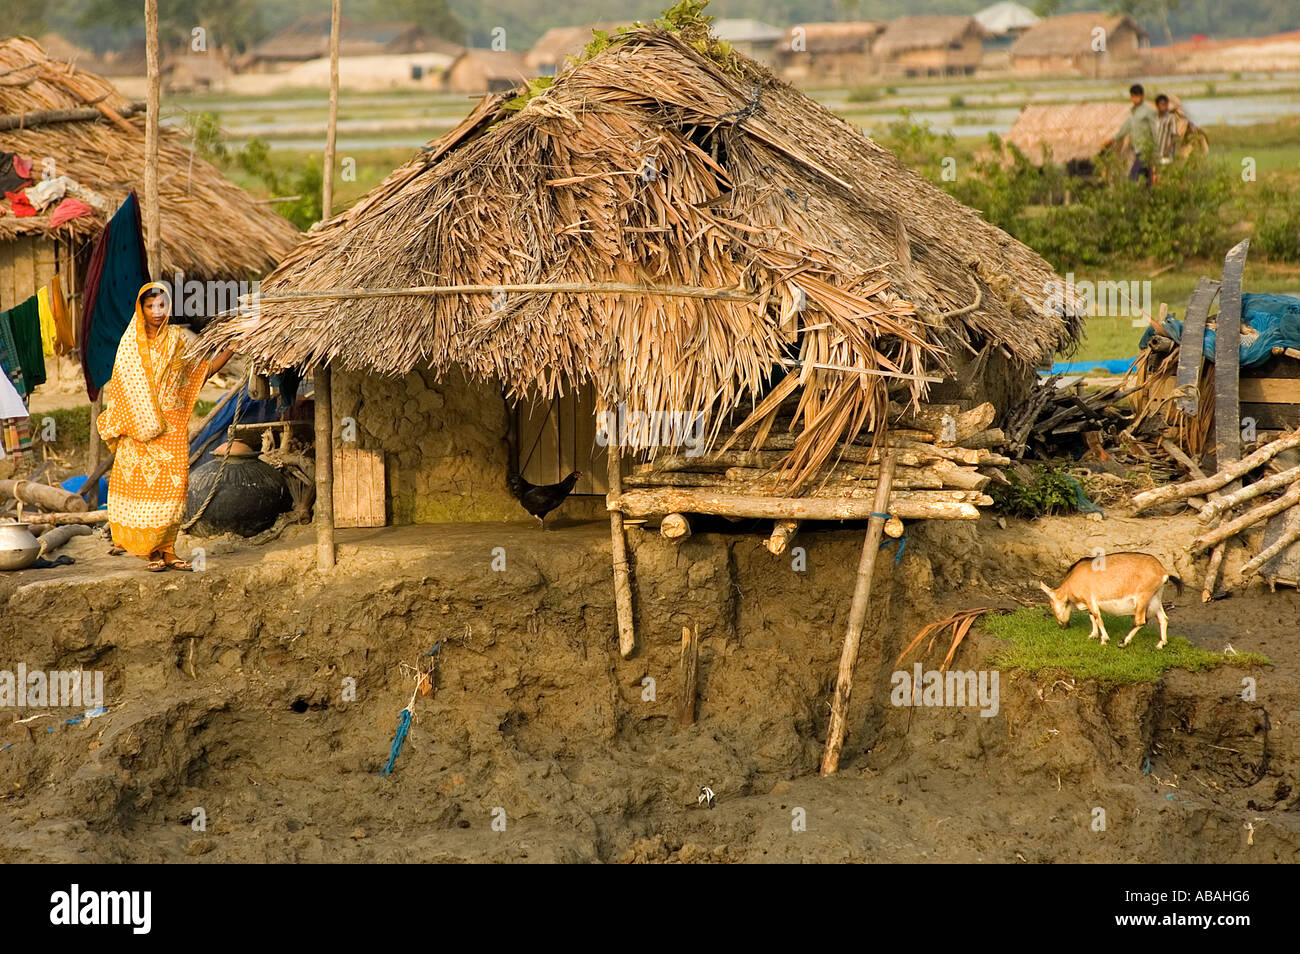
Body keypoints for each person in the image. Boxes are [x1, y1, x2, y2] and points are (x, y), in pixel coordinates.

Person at [97, 282, 233, 571]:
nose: (157, 312)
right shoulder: (130, 345)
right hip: (138, 432)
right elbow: (120, 388)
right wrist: (138, 419)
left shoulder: (176, 339)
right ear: (141, 309)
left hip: (171, 429)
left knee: (174, 490)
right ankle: (152, 554)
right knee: (145, 492)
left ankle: (169, 550)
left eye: (162, 305)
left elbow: (198, 372)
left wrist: (230, 350)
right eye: (151, 306)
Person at [1105, 83, 1158, 185]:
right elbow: (1124, 129)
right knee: (1147, 177)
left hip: (1146, 150)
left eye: (1136, 96)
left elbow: (1155, 130)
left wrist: (1156, 150)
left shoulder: (1148, 111)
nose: (1134, 99)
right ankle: (1149, 197)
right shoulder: (1132, 113)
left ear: (1142, 96)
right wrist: (1112, 139)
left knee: (1134, 174)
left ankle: (1135, 195)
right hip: (1137, 149)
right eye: (1133, 96)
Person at [1154, 93, 1179, 164]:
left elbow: (1174, 136)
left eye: (1165, 104)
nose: (1164, 107)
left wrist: (1168, 149)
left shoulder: (1171, 118)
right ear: (1157, 105)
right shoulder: (1154, 118)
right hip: (1155, 154)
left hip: (1166, 154)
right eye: (1162, 104)